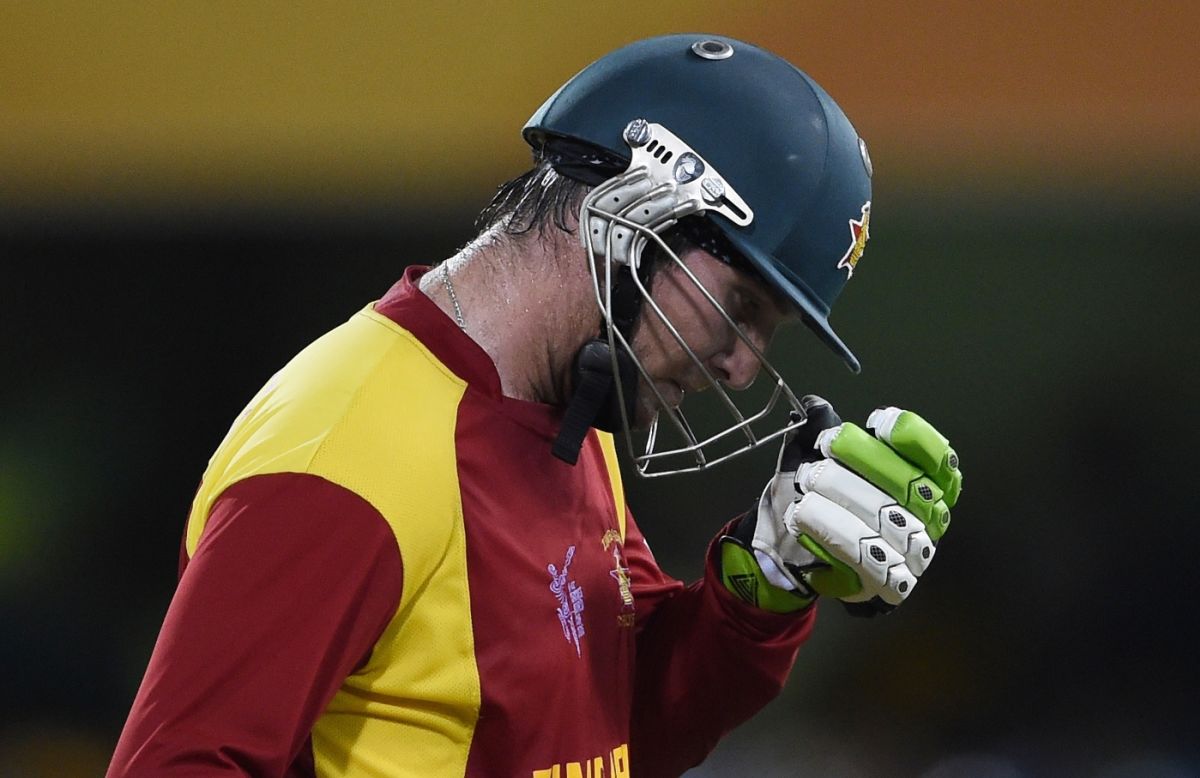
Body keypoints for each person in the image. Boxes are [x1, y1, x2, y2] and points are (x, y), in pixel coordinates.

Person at [108, 34, 961, 777]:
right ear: (631, 212)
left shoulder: (565, 412)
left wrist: (766, 585)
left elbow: (613, 730)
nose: (742, 368)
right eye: (742, 307)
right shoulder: (343, 453)